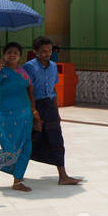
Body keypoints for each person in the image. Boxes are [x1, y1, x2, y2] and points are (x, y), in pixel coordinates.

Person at [24, 37, 83, 185]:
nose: (47, 53)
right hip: (35, 105)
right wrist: (33, 111)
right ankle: (17, 173)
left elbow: (53, 89)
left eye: (49, 50)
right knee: (29, 140)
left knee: (56, 139)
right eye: (43, 51)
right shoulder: (28, 67)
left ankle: (63, 176)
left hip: (49, 106)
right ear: (35, 51)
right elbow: (28, 90)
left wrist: (56, 111)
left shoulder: (52, 66)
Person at [0, 43, 37, 192]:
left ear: (20, 56)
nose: (12, 55)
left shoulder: (23, 70)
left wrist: (33, 110)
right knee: (11, 149)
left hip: (25, 113)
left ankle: (18, 181)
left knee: (26, 147)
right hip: (7, 113)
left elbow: (29, 89)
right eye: (9, 52)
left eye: (15, 52)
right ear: (4, 54)